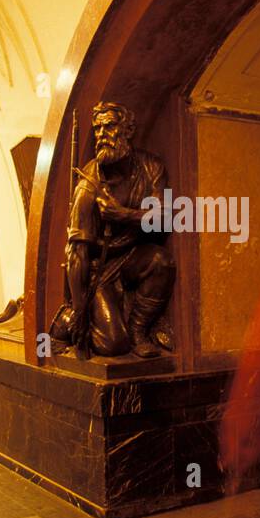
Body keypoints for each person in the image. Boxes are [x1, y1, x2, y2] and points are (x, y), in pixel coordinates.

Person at [50, 101, 174, 358]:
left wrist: (124, 215)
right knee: (113, 346)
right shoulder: (89, 184)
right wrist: (81, 309)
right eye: (97, 129)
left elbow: (165, 218)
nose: (101, 135)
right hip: (98, 269)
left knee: (162, 261)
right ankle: (67, 319)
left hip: (130, 257)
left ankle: (138, 330)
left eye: (109, 127)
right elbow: (76, 254)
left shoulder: (151, 168)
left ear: (127, 131)